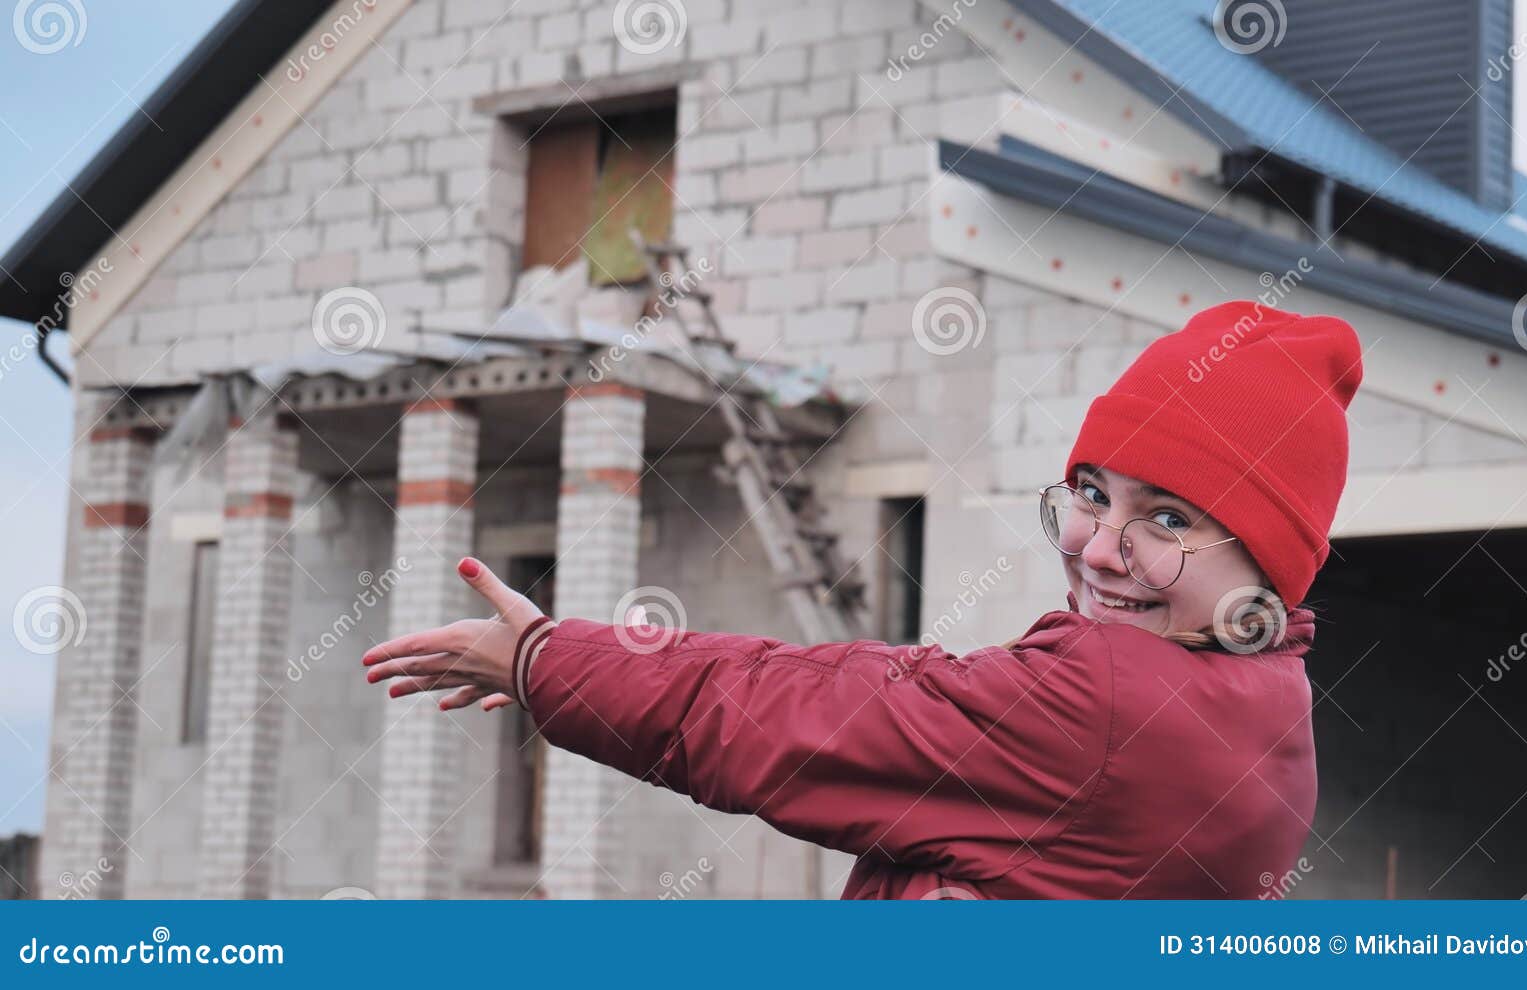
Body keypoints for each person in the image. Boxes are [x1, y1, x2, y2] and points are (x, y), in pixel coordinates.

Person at [362, 300, 1364, 899]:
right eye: (1092, 495)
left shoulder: (1114, 700)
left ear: (1268, 567)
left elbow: (795, 717)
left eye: (1169, 520)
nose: (1100, 550)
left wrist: (545, 659)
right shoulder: (1266, 700)